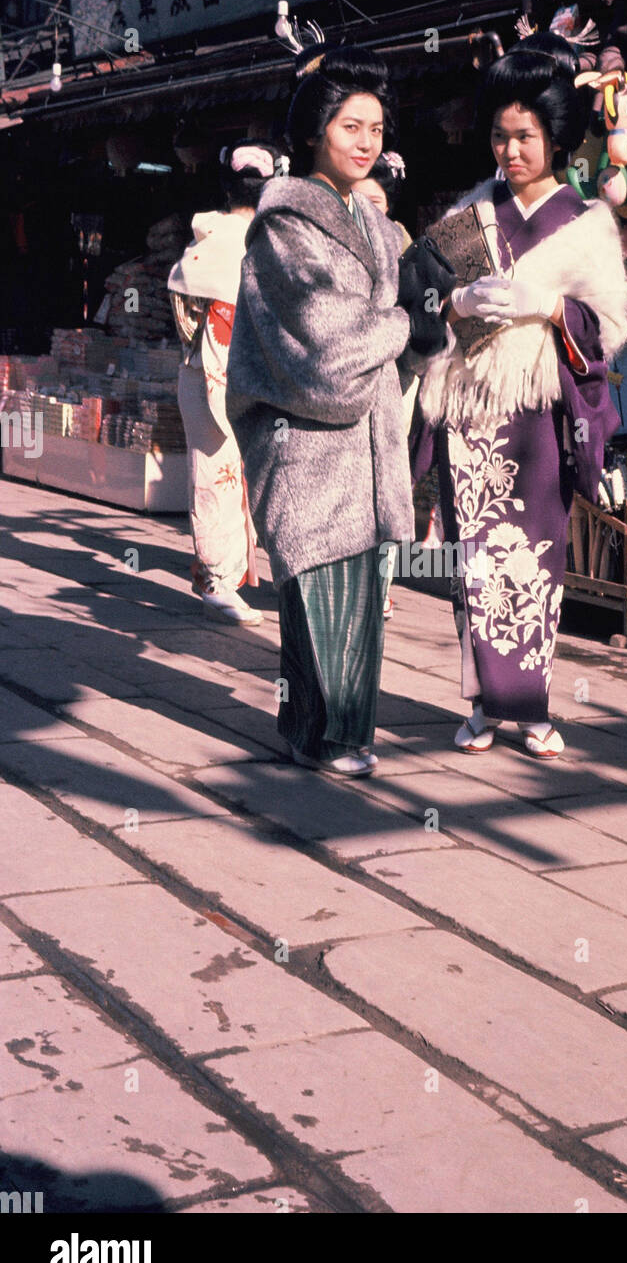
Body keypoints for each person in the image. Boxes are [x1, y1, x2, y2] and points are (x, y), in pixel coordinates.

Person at [226, 45, 449, 777]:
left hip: (368, 440)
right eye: (352, 125)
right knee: (319, 595)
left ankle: (331, 731)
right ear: (317, 129)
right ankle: (323, 734)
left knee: (356, 599)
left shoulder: (384, 231)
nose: (366, 141)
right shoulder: (284, 226)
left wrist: (428, 327)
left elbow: (399, 346)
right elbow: (318, 339)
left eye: (377, 129)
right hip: (309, 441)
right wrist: (400, 324)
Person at [413, 47, 627, 758]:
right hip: (470, 412)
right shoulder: (470, 212)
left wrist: (552, 307)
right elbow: (419, 303)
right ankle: (480, 705)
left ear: (556, 139)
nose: (510, 151)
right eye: (501, 136)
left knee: (534, 558)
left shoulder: (587, 221)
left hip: (536, 414)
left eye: (525, 136)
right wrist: (453, 301)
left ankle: (532, 707)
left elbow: (607, 326)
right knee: (471, 560)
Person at [168, 141, 288, 624]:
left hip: (202, 369)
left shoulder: (203, 241)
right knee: (221, 476)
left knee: (221, 477)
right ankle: (218, 579)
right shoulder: (256, 243)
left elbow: (184, 311)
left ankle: (228, 576)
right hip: (224, 374)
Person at [355, 150, 413, 620]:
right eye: (362, 198)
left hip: (394, 373)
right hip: (349, 373)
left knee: (389, 479)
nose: (372, 209)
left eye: (379, 200)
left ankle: (382, 583)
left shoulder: (400, 242)